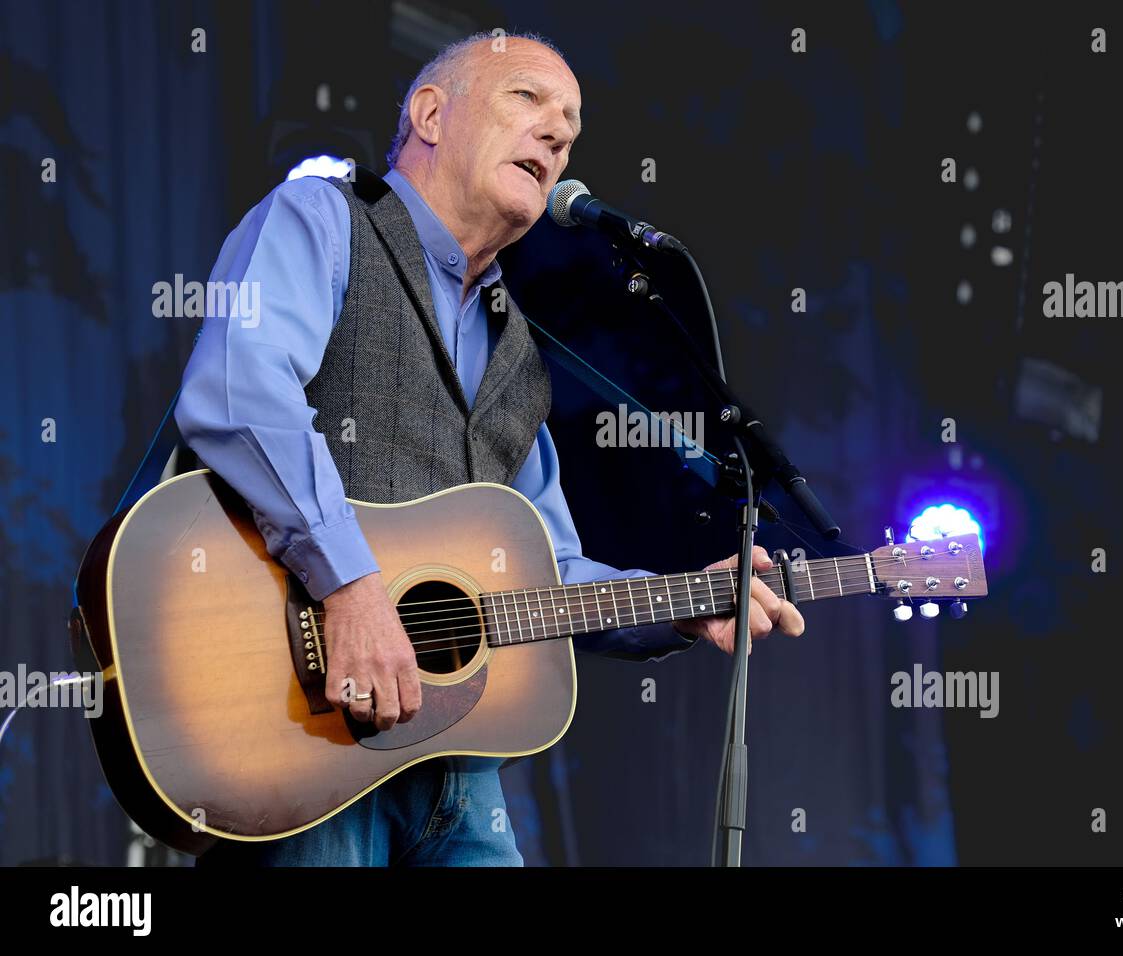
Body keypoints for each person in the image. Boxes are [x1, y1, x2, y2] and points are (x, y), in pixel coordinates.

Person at [177, 31, 804, 867]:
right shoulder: (321, 220)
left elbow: (545, 571)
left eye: (571, 129)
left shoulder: (519, 354)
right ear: (431, 114)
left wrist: (678, 600)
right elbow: (238, 395)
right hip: (300, 736)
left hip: (461, 772)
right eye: (528, 100)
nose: (557, 135)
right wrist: (352, 587)